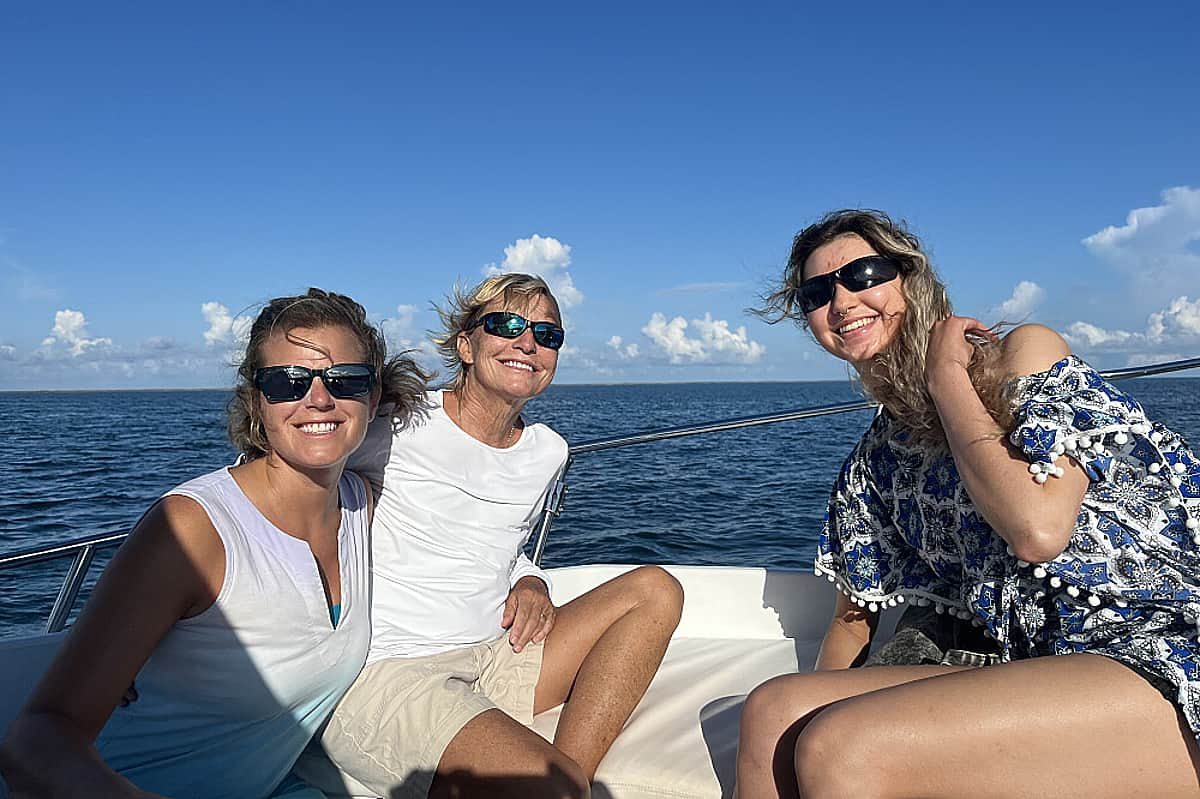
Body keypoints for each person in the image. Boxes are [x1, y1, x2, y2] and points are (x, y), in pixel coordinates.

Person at [734, 210, 1200, 798]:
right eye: (817, 292)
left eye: (862, 274)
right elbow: (853, 619)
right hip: (1037, 665)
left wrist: (946, 374)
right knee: (773, 712)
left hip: (1165, 646)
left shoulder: (1022, 359)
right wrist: (810, 709)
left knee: (845, 746)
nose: (842, 301)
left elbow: (1038, 527)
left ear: (913, 278)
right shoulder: (875, 463)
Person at [0, 289, 426, 799]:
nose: (318, 399)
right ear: (257, 400)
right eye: (287, 382)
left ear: (373, 398)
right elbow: (37, 740)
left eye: (347, 380)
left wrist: (525, 578)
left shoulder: (361, 505)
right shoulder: (195, 530)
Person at [309, 273, 684, 799]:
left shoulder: (547, 452)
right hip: (392, 673)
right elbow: (287, 483)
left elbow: (502, 544)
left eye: (546, 334)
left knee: (656, 590)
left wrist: (531, 580)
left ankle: (566, 771)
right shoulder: (394, 425)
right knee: (551, 789)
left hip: (495, 653)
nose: (527, 343)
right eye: (506, 324)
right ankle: (556, 785)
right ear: (466, 344)